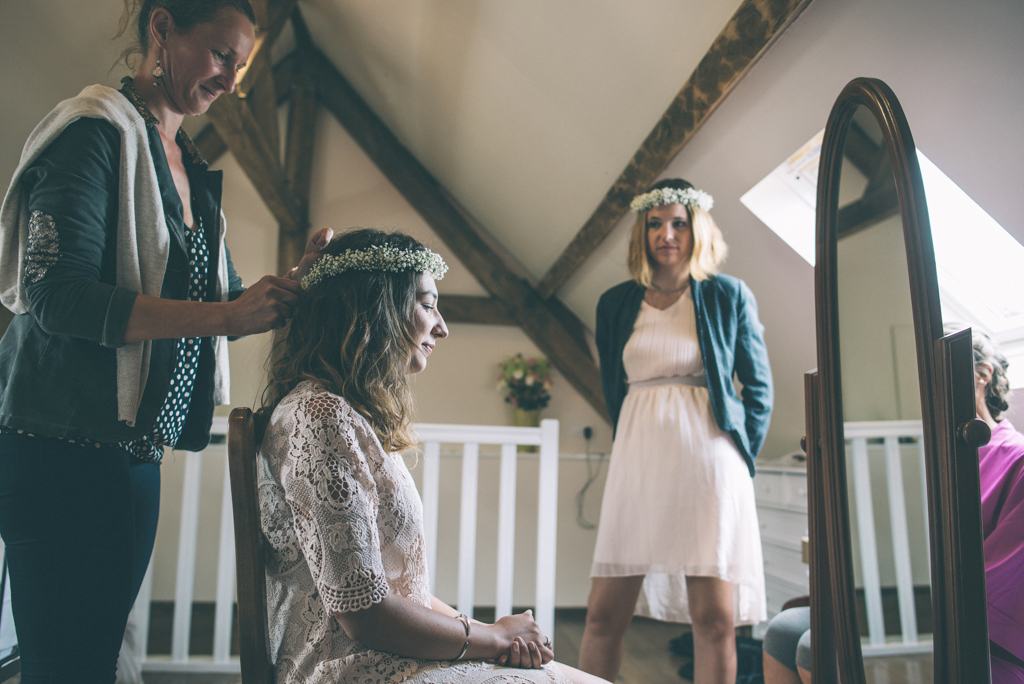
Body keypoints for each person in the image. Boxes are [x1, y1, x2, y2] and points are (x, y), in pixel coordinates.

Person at [0, 1, 328, 681]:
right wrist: (226, 318)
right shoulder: (92, 134)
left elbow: (223, 297)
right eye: (219, 56)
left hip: (134, 456)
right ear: (161, 28)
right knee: (68, 669)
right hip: (60, 451)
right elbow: (56, 297)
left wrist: (295, 283)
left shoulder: (190, 164)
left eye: (241, 67)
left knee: (99, 662)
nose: (230, 81)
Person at [258, 228, 608, 684]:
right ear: (374, 306)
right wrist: (494, 638)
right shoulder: (320, 415)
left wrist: (490, 632)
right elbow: (365, 615)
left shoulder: (344, 415)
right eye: (427, 303)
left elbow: (401, 591)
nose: (441, 326)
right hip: (350, 667)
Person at [580, 179, 773, 683]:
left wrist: (737, 451)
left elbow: (759, 388)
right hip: (638, 460)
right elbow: (612, 387)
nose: (667, 233)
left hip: (709, 464)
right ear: (642, 232)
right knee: (602, 615)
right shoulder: (615, 303)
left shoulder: (728, 294)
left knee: (714, 620)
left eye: (679, 223)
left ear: (697, 229)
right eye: (656, 223)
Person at [761, 330, 1024, 683]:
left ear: (982, 374)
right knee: (781, 632)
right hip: (899, 597)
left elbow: (1003, 580)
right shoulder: (922, 454)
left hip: (968, 625)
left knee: (815, 646)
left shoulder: (1017, 460)